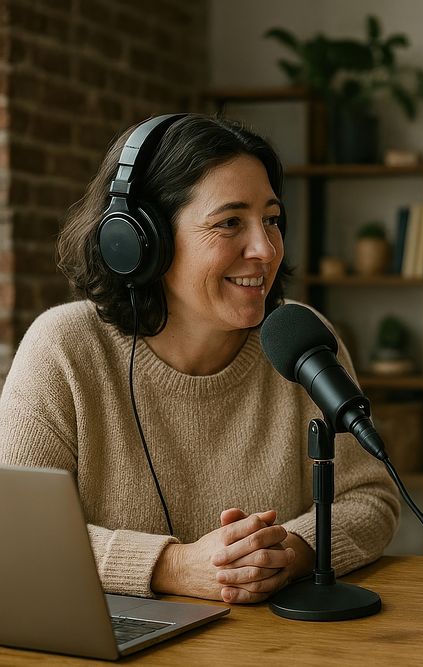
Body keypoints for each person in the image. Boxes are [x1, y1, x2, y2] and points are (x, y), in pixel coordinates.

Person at [0, 114, 400, 604]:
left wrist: (293, 551)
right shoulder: (64, 348)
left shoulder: (302, 340)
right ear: (140, 240)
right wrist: (173, 566)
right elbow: (13, 531)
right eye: (230, 222)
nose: (265, 248)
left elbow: (371, 500)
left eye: (271, 219)